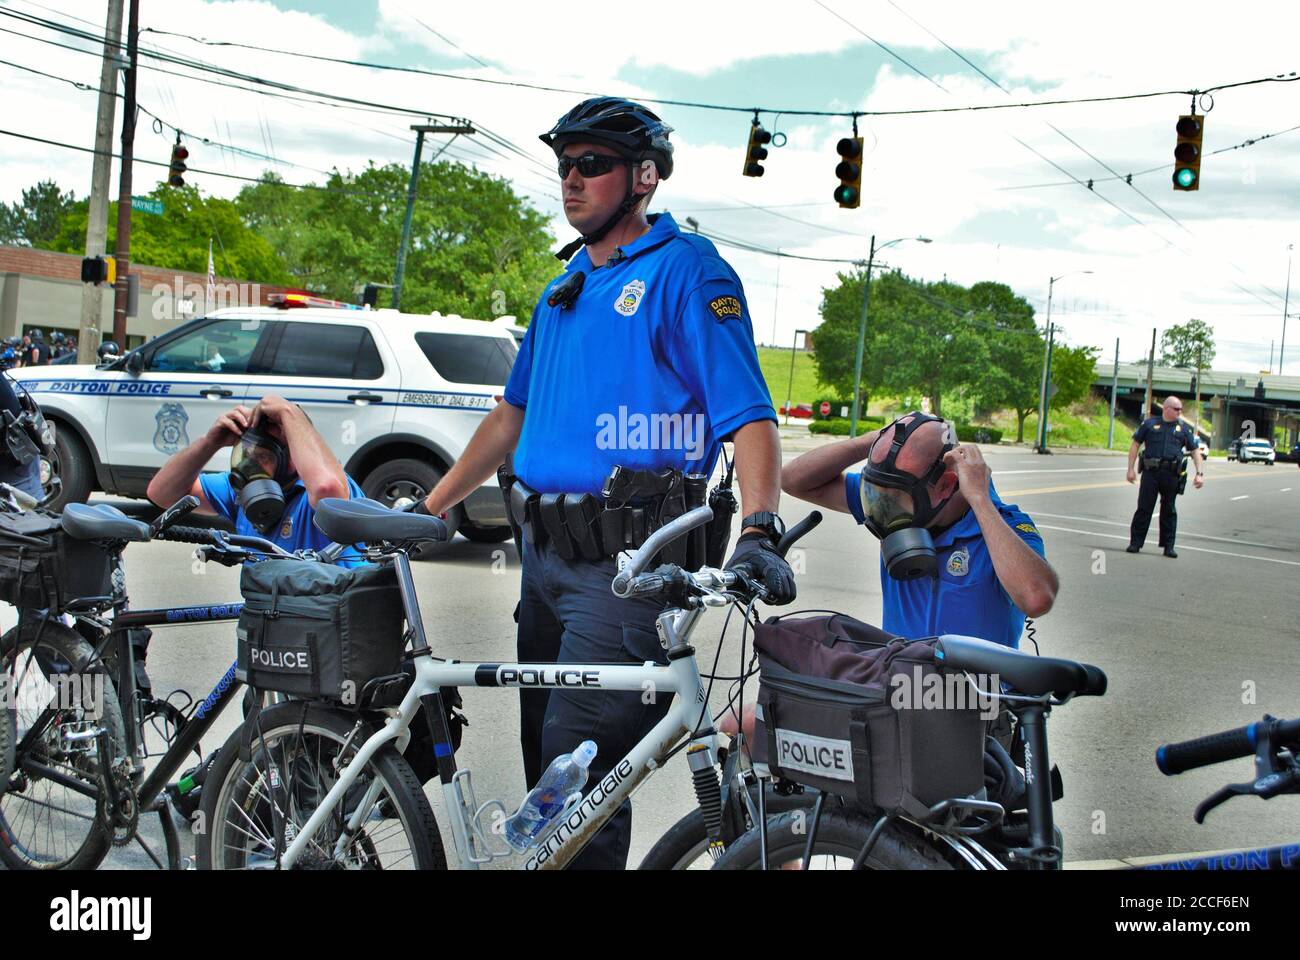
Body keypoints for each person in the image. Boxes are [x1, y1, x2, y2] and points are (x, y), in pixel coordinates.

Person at [417, 96, 795, 869]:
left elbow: (750, 416)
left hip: (628, 568)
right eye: (564, 166)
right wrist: (429, 507)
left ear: (645, 176)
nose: (571, 180)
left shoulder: (688, 272)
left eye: (592, 165)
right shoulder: (562, 289)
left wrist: (761, 527)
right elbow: (507, 418)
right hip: (544, 562)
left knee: (578, 771)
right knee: (547, 780)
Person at [781, 411, 1058, 646]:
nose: (882, 514)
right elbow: (792, 480)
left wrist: (980, 500)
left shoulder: (1003, 526)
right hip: (902, 693)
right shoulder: (890, 498)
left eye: (893, 502)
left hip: (980, 701)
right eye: (875, 496)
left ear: (947, 485)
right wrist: (879, 440)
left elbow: (1036, 598)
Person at [146, 394, 362, 562]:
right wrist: (210, 442)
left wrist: (288, 411)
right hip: (270, 611)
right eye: (245, 454)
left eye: (262, 456)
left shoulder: (323, 488)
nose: (249, 466)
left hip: (332, 611)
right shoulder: (243, 490)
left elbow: (327, 489)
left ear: (292, 458)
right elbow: (162, 493)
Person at [1125, 395, 1203, 558]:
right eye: (1176, 409)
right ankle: (1135, 543)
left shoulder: (1183, 429)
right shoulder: (1149, 424)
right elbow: (1135, 445)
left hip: (1171, 474)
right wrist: (1130, 469)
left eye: (1181, 409)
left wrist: (1199, 474)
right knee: (1144, 508)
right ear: (1166, 408)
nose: (1179, 412)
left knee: (1169, 510)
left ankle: (1168, 546)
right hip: (1151, 473)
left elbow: (1195, 451)